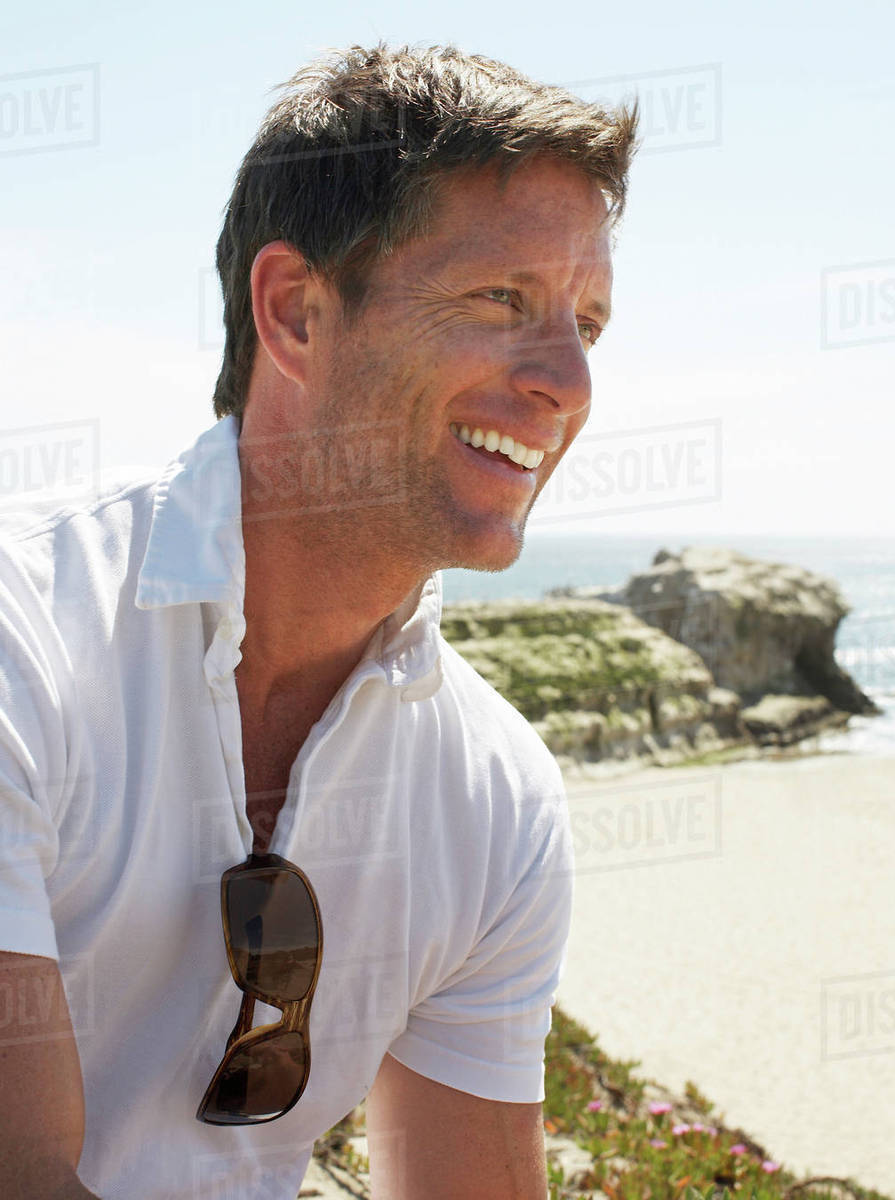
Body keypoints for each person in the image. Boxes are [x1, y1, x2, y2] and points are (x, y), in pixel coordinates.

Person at [0, 44, 637, 1200]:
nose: (568, 381)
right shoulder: (22, 634)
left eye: (586, 323)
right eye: (503, 299)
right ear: (295, 311)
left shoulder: (496, 794)